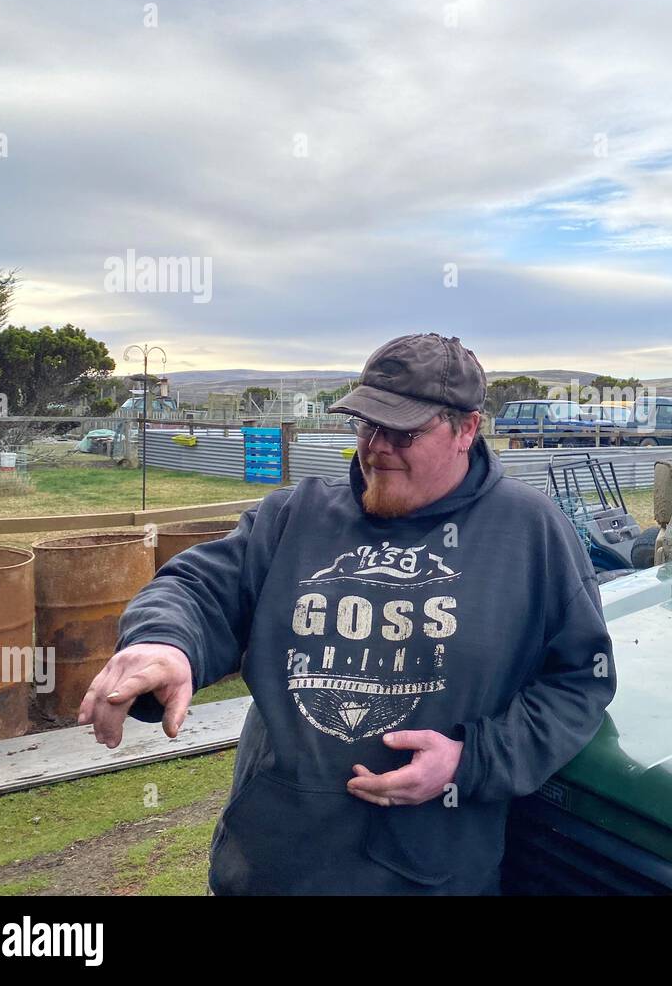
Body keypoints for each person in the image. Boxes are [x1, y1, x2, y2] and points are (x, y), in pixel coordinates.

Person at [77, 333, 616, 895]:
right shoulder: (297, 515)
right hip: (270, 865)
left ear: (467, 429)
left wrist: (470, 761)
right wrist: (165, 642)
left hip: (430, 873)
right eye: (367, 424)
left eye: (403, 431)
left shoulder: (531, 534)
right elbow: (200, 587)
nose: (377, 445)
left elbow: (579, 683)